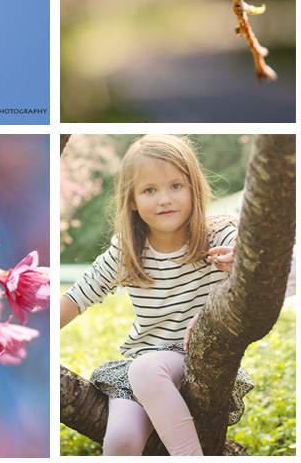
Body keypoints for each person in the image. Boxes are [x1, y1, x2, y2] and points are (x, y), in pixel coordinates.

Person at [61, 135, 253, 456]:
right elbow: (78, 296)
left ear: (193, 188)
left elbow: (253, 261)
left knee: (147, 370)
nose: (164, 199)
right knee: (121, 440)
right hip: (142, 365)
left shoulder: (219, 233)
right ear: (132, 201)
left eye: (176, 186)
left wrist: (240, 259)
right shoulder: (127, 251)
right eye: (149, 190)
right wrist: (35, 333)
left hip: (197, 357)